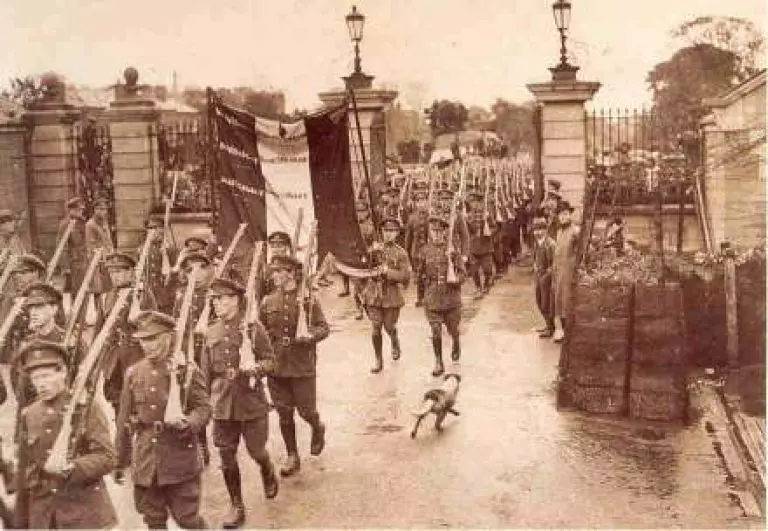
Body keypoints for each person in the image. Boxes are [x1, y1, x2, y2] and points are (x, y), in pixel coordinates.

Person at [115, 310, 211, 530]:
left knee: (187, 518)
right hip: (147, 459)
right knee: (153, 519)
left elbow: (204, 407)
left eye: (153, 339)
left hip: (179, 457)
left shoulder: (185, 370)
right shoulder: (134, 373)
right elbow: (123, 421)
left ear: (168, 337)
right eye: (143, 341)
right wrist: (119, 460)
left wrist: (188, 422)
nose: (147, 346)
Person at [200, 278, 279, 528]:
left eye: (222, 298)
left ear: (235, 300)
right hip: (222, 403)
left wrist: (255, 368)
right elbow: (205, 373)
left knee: (256, 451)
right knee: (227, 457)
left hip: (250, 401)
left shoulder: (252, 329)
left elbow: (270, 361)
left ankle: (266, 468)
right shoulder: (210, 331)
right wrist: (204, 401)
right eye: (214, 299)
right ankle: (236, 505)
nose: (217, 303)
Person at [14, 340, 118, 529]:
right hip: (44, 513)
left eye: (46, 376)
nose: (41, 384)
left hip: (82, 510)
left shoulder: (85, 408)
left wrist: (72, 468)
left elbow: (107, 457)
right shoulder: (30, 414)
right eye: (35, 378)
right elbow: (25, 468)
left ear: (62, 372)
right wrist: (21, 521)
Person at [261, 254, 329, 478]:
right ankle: (292, 455)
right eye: (273, 272)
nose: (274, 276)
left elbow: (323, 328)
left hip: (301, 365)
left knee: (306, 411)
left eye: (279, 272)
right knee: (284, 413)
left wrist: (309, 336)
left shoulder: (308, 301)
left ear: (290, 273)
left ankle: (317, 426)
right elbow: (260, 335)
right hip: (277, 366)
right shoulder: (268, 301)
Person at [99, 251, 156, 414]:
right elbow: (100, 332)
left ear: (131, 271)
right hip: (114, 359)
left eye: (119, 271)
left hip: (136, 355)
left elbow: (153, 326)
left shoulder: (143, 294)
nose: (115, 276)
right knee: (117, 402)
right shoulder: (105, 298)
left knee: (138, 400)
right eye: (112, 272)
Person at [362, 218, 411, 373]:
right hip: (374, 294)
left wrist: (387, 272)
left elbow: (405, 276)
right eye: (386, 231)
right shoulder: (374, 249)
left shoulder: (401, 253)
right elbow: (364, 267)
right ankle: (378, 359)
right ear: (381, 231)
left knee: (389, 326)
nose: (389, 234)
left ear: (397, 233)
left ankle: (394, 338)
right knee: (376, 327)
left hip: (391, 296)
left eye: (392, 231)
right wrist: (371, 254)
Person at [422, 216, 465, 377]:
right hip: (432, 297)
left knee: (453, 328)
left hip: (451, 298)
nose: (437, 234)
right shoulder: (425, 250)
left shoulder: (453, 252)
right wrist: (422, 296)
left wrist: (455, 280)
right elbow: (420, 274)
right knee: (435, 330)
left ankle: (456, 341)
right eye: (434, 231)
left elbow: (463, 274)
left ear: (445, 232)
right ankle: (438, 361)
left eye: (440, 231)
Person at [551, 202, 580, 343]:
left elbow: (581, 250)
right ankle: (559, 329)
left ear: (570, 215)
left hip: (569, 269)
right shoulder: (558, 231)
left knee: (567, 298)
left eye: (566, 214)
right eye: (560, 214)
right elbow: (557, 252)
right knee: (557, 298)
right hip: (558, 269)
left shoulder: (575, 231)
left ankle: (569, 330)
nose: (563, 217)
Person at [56, 197, 87, 293]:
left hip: (84, 260)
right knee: (77, 291)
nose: (80, 212)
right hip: (74, 262)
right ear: (71, 210)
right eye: (78, 210)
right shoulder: (65, 224)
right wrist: (65, 267)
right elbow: (62, 246)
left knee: (85, 290)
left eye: (81, 209)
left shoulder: (81, 223)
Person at [85, 197, 115, 298]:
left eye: (105, 209)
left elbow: (108, 241)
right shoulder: (90, 225)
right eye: (101, 209)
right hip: (97, 262)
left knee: (110, 289)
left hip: (107, 260)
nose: (103, 212)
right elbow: (91, 246)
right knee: (98, 290)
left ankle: (106, 312)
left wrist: (111, 252)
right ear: (95, 210)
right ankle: (99, 312)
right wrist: (100, 259)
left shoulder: (104, 223)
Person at [404, 191, 430, 307]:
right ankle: (420, 297)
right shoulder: (412, 218)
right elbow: (408, 237)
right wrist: (407, 251)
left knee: (429, 274)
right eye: (419, 201)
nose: (421, 203)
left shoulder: (431, 216)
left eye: (423, 200)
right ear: (416, 203)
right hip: (416, 251)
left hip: (428, 250)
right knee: (419, 275)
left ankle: (429, 297)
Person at [532, 219, 556, 338]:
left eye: (540, 229)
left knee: (546, 303)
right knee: (539, 301)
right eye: (535, 230)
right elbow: (536, 257)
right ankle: (547, 325)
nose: (537, 232)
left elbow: (554, 265)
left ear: (545, 230)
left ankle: (551, 328)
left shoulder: (550, 244)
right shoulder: (537, 242)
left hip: (547, 279)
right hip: (539, 276)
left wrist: (546, 277)